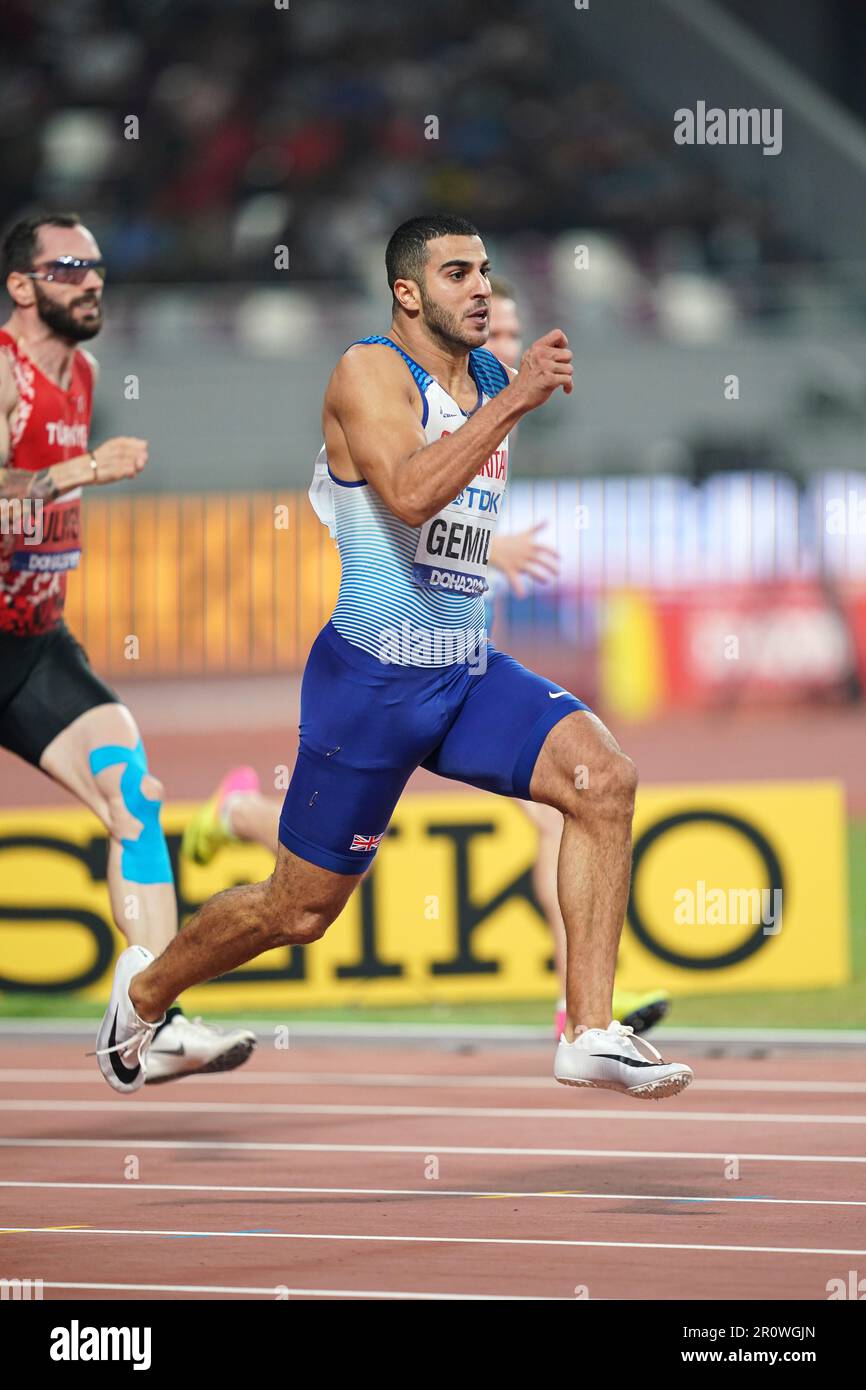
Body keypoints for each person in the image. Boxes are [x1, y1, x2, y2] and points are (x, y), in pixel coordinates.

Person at [96, 212, 692, 1100]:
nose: (482, 287)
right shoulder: (366, 370)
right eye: (458, 274)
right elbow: (411, 495)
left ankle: (591, 1031)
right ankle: (143, 997)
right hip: (370, 682)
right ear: (406, 293)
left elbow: (459, 500)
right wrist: (516, 398)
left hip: (465, 669)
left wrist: (512, 386)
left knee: (603, 778)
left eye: (487, 270)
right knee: (296, 910)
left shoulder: (487, 371)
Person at [0, 212, 256, 1083]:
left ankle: (153, 1018)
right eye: (69, 266)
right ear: (22, 285)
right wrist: (77, 472)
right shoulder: (4, 369)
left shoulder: (87, 372)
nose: (93, 279)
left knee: (135, 797)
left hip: (32, 649)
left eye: (99, 265)